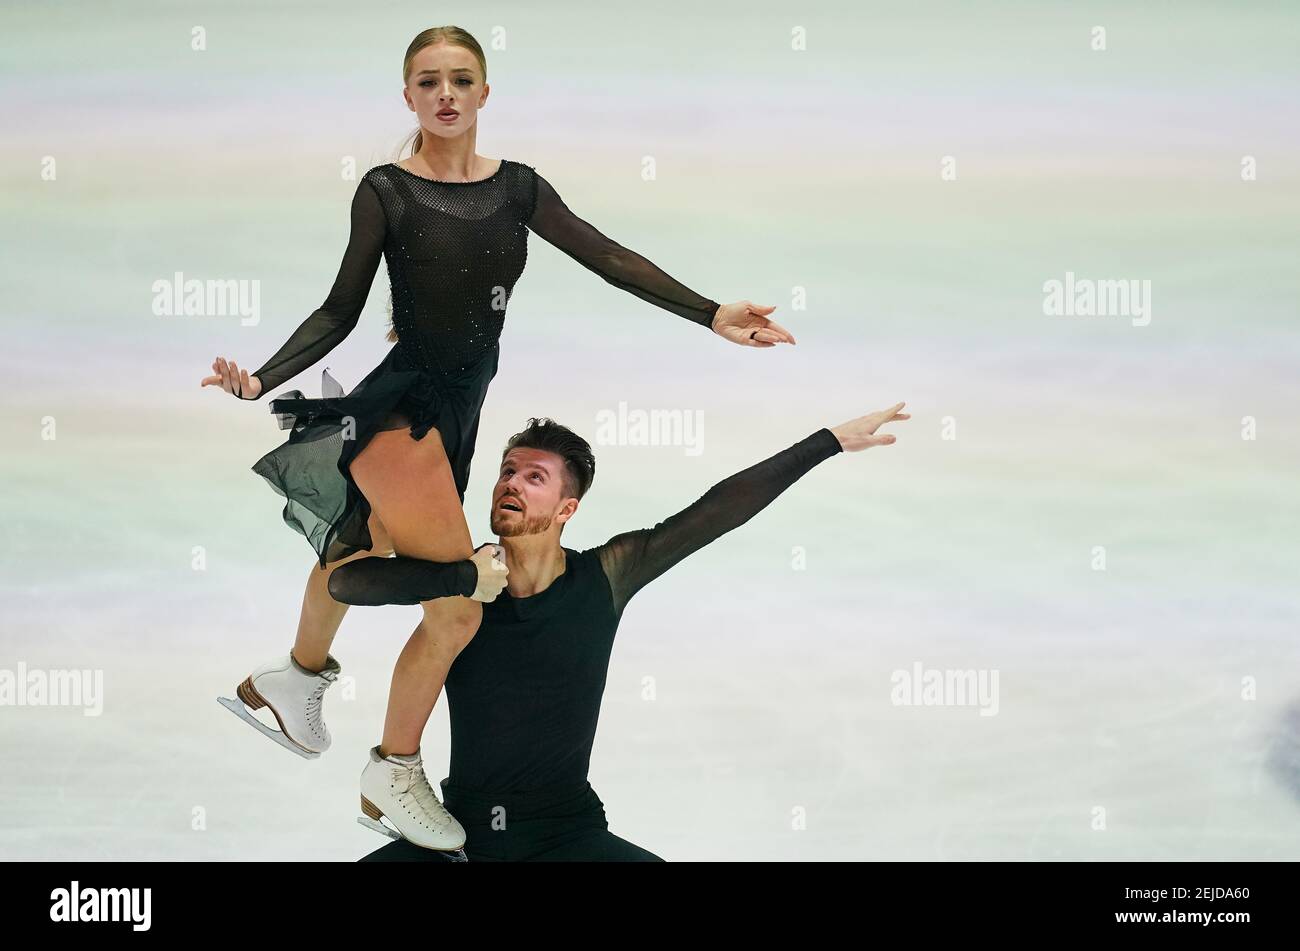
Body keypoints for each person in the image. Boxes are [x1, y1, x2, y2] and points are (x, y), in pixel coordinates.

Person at [204, 27, 797, 855]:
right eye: (427, 81)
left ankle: (293, 679)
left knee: (356, 556)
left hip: (454, 422)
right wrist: (262, 380)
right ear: (407, 97)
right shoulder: (386, 190)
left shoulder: (516, 189)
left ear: (484, 94)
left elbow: (607, 255)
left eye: (461, 79)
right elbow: (341, 308)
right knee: (456, 609)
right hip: (404, 412)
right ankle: (392, 770)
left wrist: (709, 312)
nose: (445, 94)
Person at [329, 402, 910, 861]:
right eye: (507, 471)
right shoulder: (461, 581)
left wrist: (827, 442)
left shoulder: (607, 576)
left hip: (568, 837)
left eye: (535, 477)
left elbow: (716, 511)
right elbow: (347, 585)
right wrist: (456, 574)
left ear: (567, 508)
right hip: (458, 835)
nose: (512, 483)